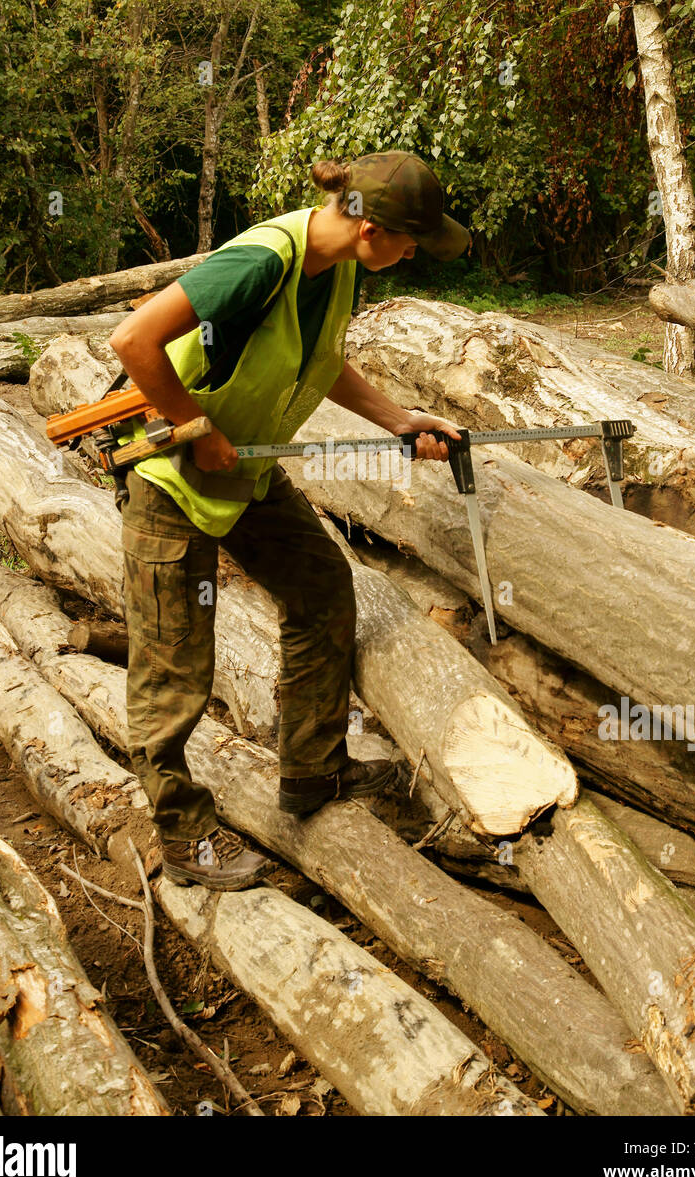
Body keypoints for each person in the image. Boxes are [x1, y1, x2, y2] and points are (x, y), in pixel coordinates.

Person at [109, 150, 471, 891]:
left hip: (241, 465)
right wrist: (192, 426)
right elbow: (133, 340)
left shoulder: (336, 268)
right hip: (171, 473)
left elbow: (320, 359)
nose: (411, 256)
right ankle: (182, 835)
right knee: (173, 665)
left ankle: (312, 768)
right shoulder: (262, 259)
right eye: (410, 242)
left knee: (319, 588)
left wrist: (398, 419)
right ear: (371, 230)